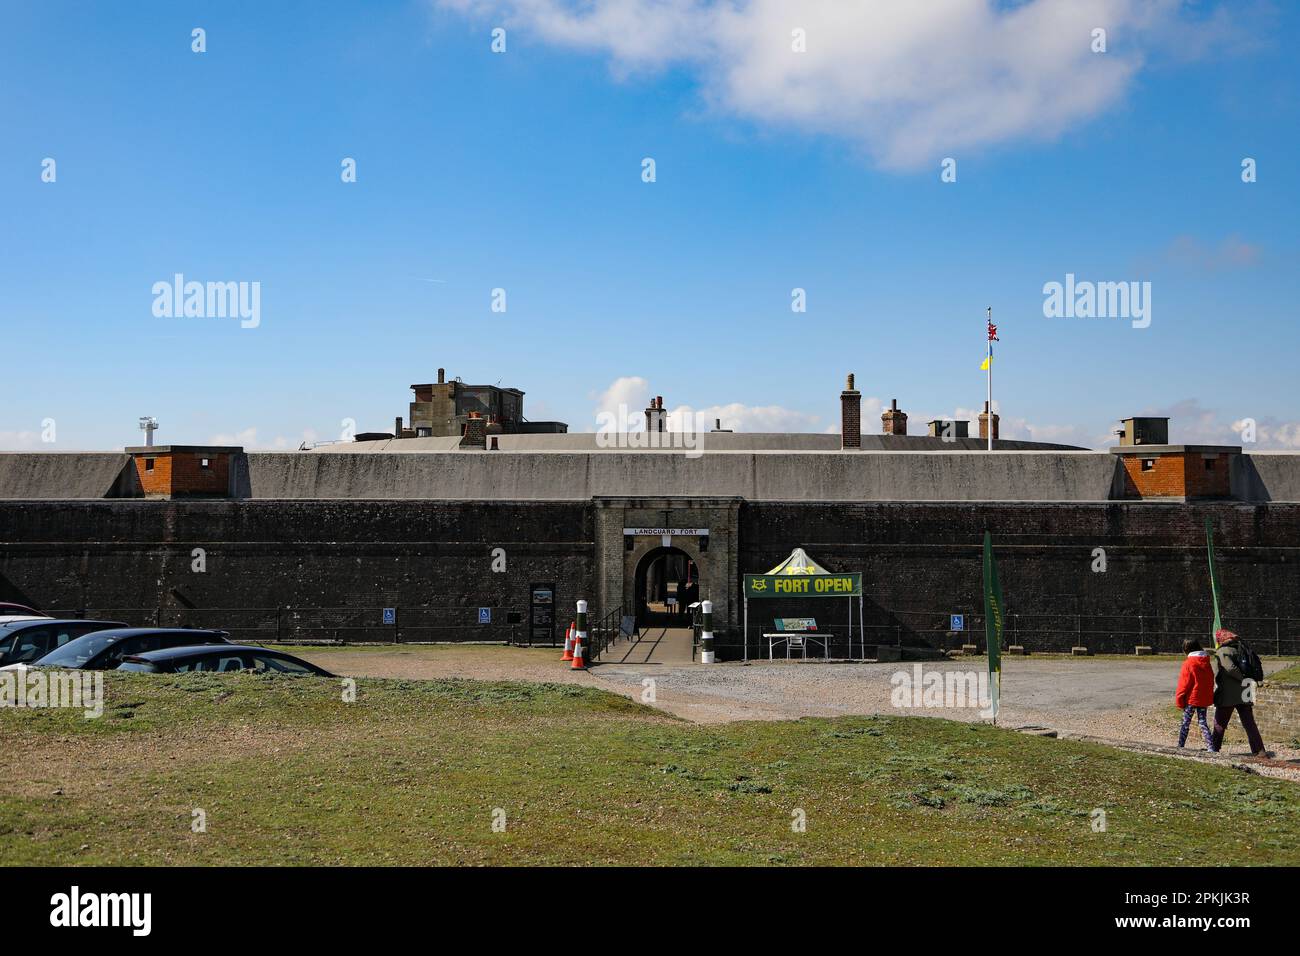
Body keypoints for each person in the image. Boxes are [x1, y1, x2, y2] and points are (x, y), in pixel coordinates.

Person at [1210, 628, 1268, 756]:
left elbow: (1230, 668)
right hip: (1246, 690)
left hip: (1229, 693)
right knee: (1249, 723)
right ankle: (1260, 750)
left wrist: (1241, 678)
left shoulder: (1223, 651)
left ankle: (1214, 749)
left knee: (1220, 722)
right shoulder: (1243, 649)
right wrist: (1246, 680)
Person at [1174, 639, 1215, 749]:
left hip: (1191, 700)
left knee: (1185, 723)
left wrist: (1179, 700)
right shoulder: (1207, 662)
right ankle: (1211, 747)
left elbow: (1184, 684)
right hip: (1203, 698)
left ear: (1186, 650)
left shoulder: (1188, 663)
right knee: (1202, 722)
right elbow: (1211, 680)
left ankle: (1180, 746)